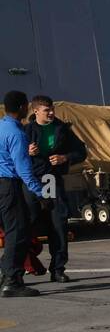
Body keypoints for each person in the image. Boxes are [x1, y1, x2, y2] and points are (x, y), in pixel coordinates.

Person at [25, 95, 86, 282]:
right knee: (27, 223)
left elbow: (81, 152)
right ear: (35, 111)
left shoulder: (62, 129)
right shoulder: (26, 131)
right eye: (46, 110)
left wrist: (65, 158)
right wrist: (27, 152)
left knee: (58, 224)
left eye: (52, 109)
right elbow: (11, 155)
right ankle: (22, 264)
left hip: (52, 181)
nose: (51, 113)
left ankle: (58, 268)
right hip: (32, 181)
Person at [0, 90, 46, 298]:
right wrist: (39, 191)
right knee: (17, 233)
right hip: (10, 185)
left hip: (2, 185)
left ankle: (6, 275)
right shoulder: (17, 134)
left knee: (11, 230)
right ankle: (12, 280)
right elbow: (23, 167)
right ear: (21, 107)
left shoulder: (2, 127)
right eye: (26, 104)